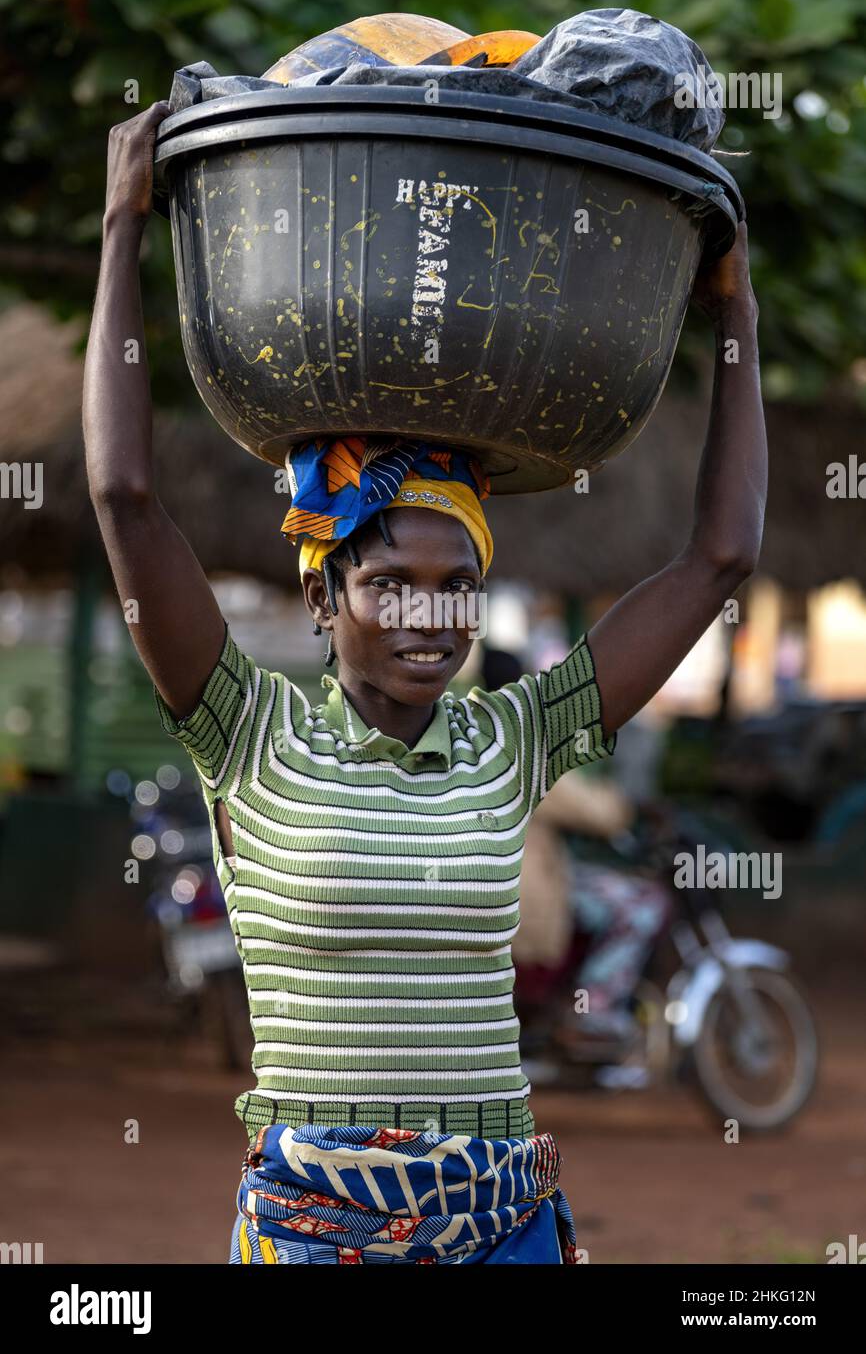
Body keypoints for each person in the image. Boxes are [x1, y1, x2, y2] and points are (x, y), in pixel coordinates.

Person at [82, 101, 766, 1264]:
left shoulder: (514, 741)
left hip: (498, 1218)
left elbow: (717, 557)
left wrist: (735, 311)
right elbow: (124, 500)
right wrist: (120, 229)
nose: (431, 617)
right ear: (320, 596)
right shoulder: (245, 732)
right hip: (315, 1224)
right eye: (392, 582)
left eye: (458, 587)